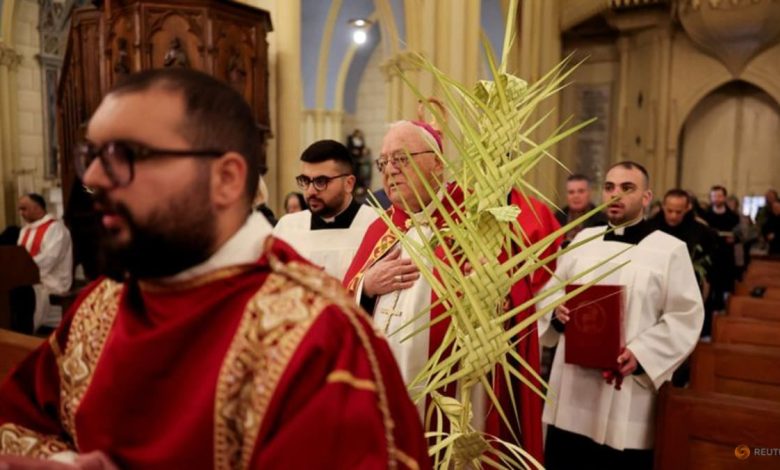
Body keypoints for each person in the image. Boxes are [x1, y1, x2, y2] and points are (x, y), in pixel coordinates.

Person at [0, 69, 429, 469]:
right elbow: (19, 420)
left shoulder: (316, 339)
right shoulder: (100, 304)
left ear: (225, 179)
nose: (94, 176)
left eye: (125, 154)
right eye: (91, 155)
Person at [342, 120, 557, 462]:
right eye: (384, 162)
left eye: (401, 158)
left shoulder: (478, 225)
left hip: (457, 399)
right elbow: (342, 310)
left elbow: (517, 307)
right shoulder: (380, 229)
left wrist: (491, 288)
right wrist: (365, 288)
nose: (389, 171)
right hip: (386, 396)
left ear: (438, 163)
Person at [539, 161, 703, 469]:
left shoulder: (669, 250)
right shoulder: (582, 241)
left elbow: (685, 316)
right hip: (573, 390)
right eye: (610, 187)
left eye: (627, 188)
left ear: (646, 197)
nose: (616, 195)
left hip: (625, 391)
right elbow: (550, 294)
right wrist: (557, 314)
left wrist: (642, 355)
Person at [273, 140, 377, 280]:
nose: (310, 191)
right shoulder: (287, 228)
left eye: (321, 182)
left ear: (349, 184)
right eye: (305, 180)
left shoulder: (376, 224)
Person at [649, 188, 718, 339]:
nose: (673, 216)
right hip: (654, 291)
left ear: (688, 208)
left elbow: (710, 263)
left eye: (678, 212)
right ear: (663, 207)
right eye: (670, 210)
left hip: (685, 292)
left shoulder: (701, 232)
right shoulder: (649, 228)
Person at [16, 193, 73, 333]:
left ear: (37, 208)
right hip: (29, 279)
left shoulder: (56, 229)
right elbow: (18, 256)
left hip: (51, 282)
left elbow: (49, 259)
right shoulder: (25, 230)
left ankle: (23, 334)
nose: (21, 213)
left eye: (24, 208)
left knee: (21, 295)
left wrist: (21, 273)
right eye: (20, 209)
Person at [703, 185, 740, 309]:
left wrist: (735, 238)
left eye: (719, 196)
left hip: (727, 258)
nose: (716, 199)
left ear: (724, 197)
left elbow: (741, 236)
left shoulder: (734, 217)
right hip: (710, 257)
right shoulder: (706, 216)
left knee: (723, 290)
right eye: (714, 196)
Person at [555, 174, 606, 248]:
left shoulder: (602, 221)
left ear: (589, 193)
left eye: (581, 191)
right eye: (571, 192)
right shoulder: (556, 218)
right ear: (566, 195)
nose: (576, 196)